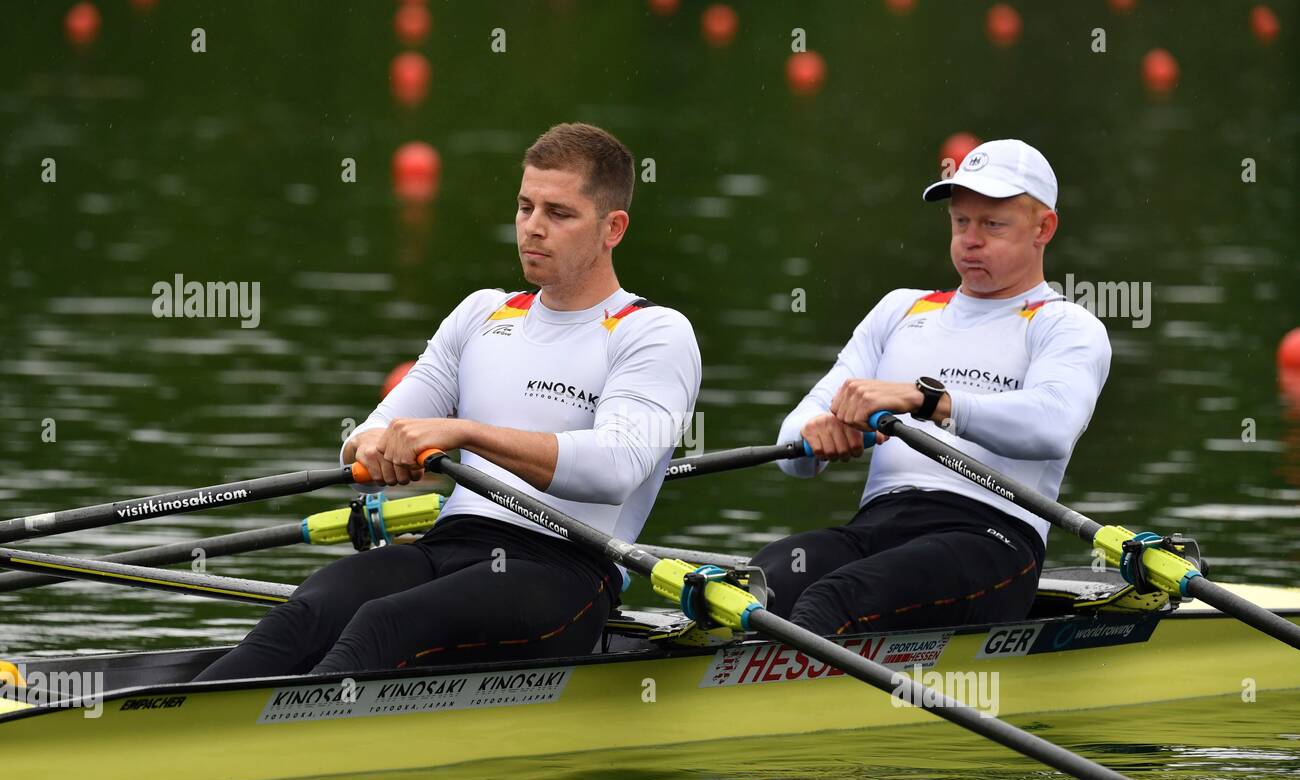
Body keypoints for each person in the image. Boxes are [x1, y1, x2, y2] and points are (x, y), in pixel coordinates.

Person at [196, 122, 701, 680]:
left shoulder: (652, 333)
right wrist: (372, 450)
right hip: (448, 544)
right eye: (525, 206)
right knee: (308, 610)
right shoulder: (483, 313)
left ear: (613, 228)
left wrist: (464, 433)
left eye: (559, 214)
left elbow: (613, 471)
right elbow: (373, 431)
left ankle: (270, 741)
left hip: (563, 572)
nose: (533, 228)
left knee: (383, 624)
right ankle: (174, 733)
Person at [753, 139, 1111, 638]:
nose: (971, 239)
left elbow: (1051, 426)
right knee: (761, 581)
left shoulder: (1064, 325)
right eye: (961, 222)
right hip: (879, 526)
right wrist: (817, 437)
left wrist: (928, 401)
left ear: (1043, 228)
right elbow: (790, 445)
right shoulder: (901, 310)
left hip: (991, 540)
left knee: (834, 599)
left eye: (993, 224)